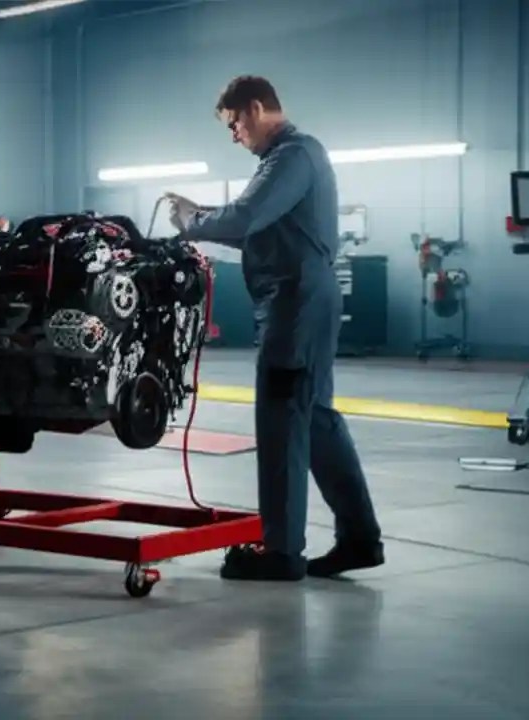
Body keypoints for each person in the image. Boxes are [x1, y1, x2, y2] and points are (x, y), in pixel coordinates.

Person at [167, 75, 384, 581]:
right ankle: (359, 539)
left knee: (283, 420)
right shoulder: (286, 161)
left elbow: (246, 217)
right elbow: (261, 230)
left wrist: (192, 220)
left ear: (258, 108)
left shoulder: (293, 156)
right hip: (297, 298)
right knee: (316, 421)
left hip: (296, 303)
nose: (234, 135)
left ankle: (282, 551)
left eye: (236, 123)